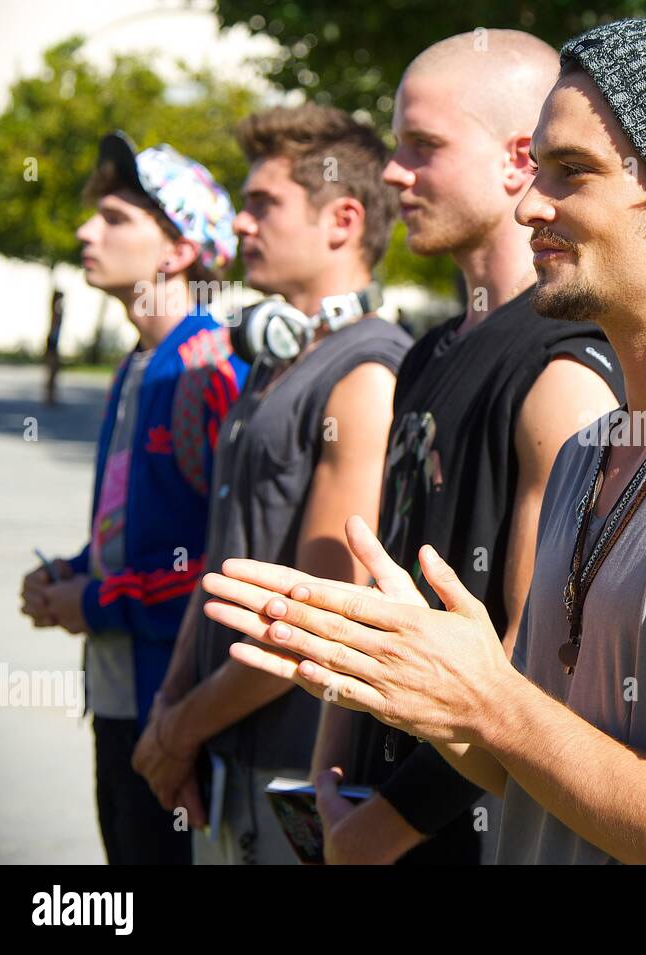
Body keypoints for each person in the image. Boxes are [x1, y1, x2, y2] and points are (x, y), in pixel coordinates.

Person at [205, 18, 646, 864]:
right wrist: (420, 687)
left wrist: (492, 699)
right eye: (536, 168)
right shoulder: (590, 451)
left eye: (573, 171)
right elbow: (543, 770)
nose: (531, 202)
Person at [307, 30, 624, 865]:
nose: (391, 172)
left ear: (520, 160)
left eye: (424, 146)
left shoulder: (565, 368)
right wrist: (328, 772)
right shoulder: (426, 352)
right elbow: (378, 577)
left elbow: (532, 667)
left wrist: (381, 830)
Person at [131, 104, 411, 865]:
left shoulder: (365, 374)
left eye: (263, 204)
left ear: (342, 220)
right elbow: (219, 566)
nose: (243, 224)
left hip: (290, 782)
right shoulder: (270, 364)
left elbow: (313, 615)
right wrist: (170, 711)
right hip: (223, 761)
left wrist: (176, 729)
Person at [19, 132, 247, 864]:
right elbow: (132, 525)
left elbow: (229, 565)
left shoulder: (210, 372)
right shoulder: (137, 366)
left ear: (177, 250)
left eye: (117, 217)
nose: (88, 229)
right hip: (116, 702)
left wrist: (92, 599)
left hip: (175, 714)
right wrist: (70, 569)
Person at [44, 289, 64, 406]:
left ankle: (51, 397)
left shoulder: (56, 310)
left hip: (53, 343)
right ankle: (49, 398)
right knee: (52, 372)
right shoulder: (56, 312)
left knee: (53, 372)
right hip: (52, 343)